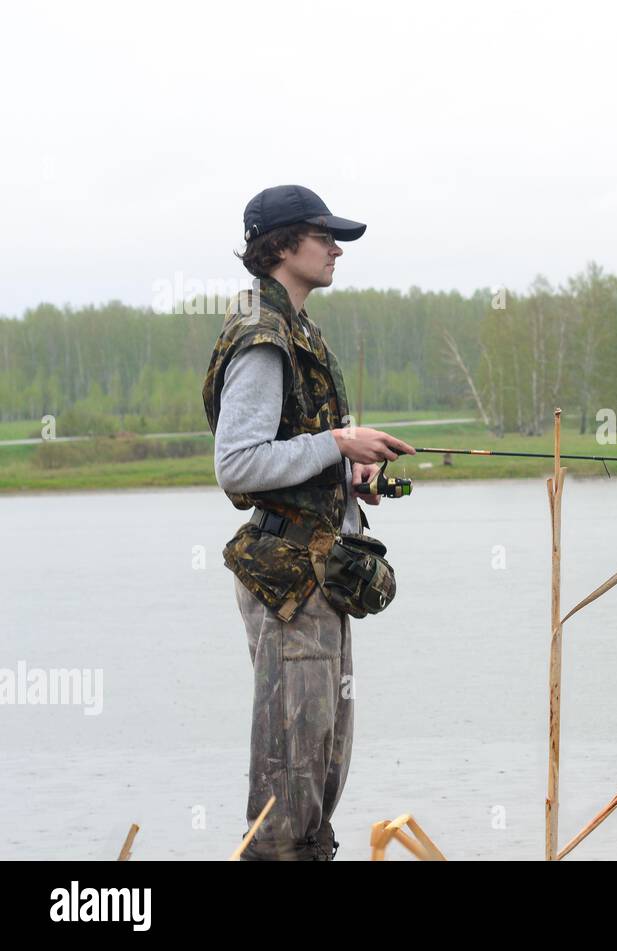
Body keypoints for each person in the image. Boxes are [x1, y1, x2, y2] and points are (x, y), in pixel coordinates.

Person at [201, 185, 414, 860]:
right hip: (290, 585)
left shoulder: (299, 328)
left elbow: (288, 452)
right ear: (282, 245)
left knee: (321, 767)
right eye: (324, 237)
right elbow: (238, 464)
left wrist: (349, 475)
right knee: (287, 787)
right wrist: (339, 444)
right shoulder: (264, 338)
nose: (336, 248)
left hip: (318, 576)